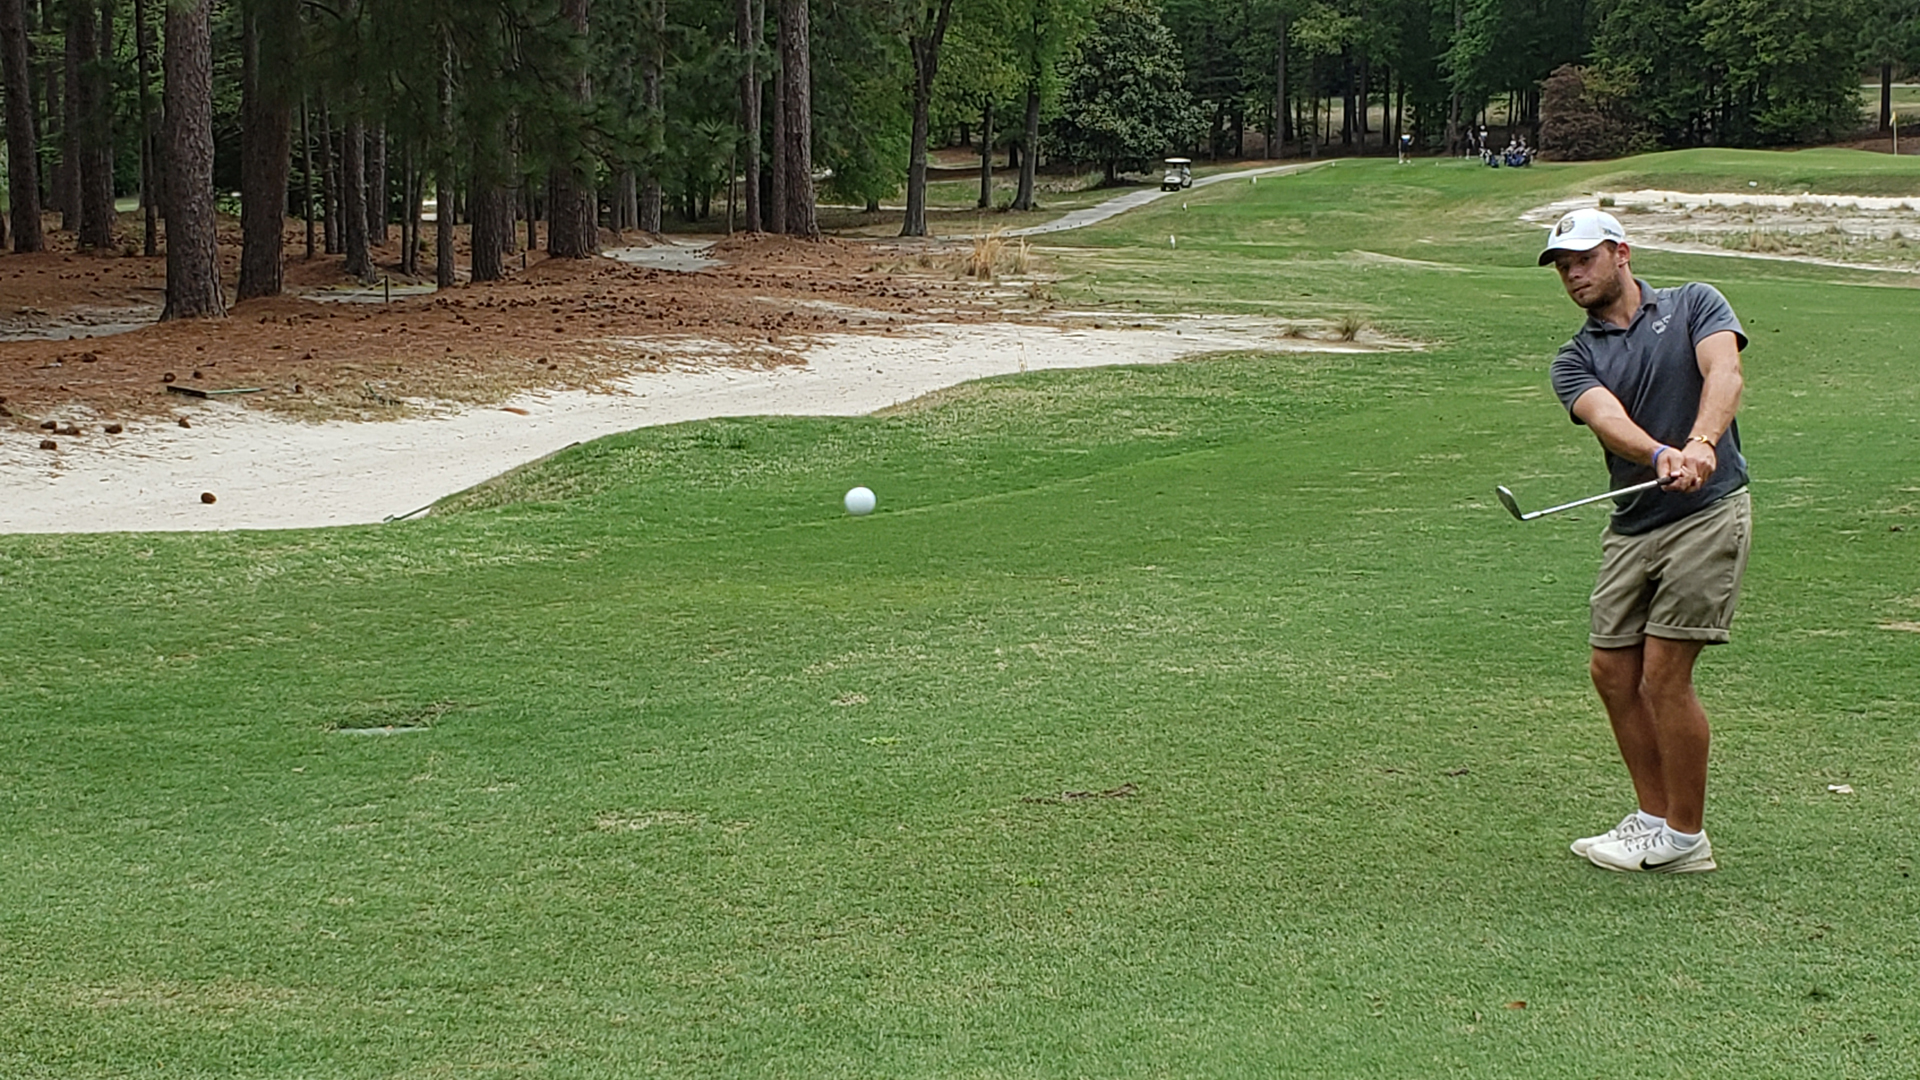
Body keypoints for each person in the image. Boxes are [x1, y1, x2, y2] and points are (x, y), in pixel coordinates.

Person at [1537, 208, 1751, 874]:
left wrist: (1701, 443)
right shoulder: (1575, 358)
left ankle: (1685, 838)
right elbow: (1606, 418)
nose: (1573, 274)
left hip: (1707, 513)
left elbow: (1724, 375)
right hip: (1633, 521)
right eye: (1563, 267)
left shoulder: (1694, 304)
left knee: (1664, 677)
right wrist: (1660, 453)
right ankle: (1654, 817)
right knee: (1611, 672)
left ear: (1621, 252)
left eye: (1584, 259)